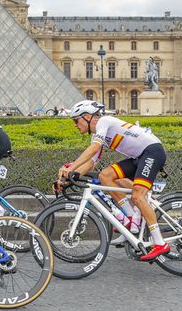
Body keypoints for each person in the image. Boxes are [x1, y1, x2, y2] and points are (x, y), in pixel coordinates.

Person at [57, 100, 170, 260]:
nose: (75, 125)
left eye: (76, 120)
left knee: (137, 196)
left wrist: (70, 168)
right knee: (105, 176)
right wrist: (69, 178)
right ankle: (132, 221)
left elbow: (94, 149)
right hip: (139, 157)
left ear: (88, 117)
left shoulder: (104, 121)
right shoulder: (99, 133)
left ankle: (160, 243)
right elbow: (91, 163)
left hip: (152, 152)